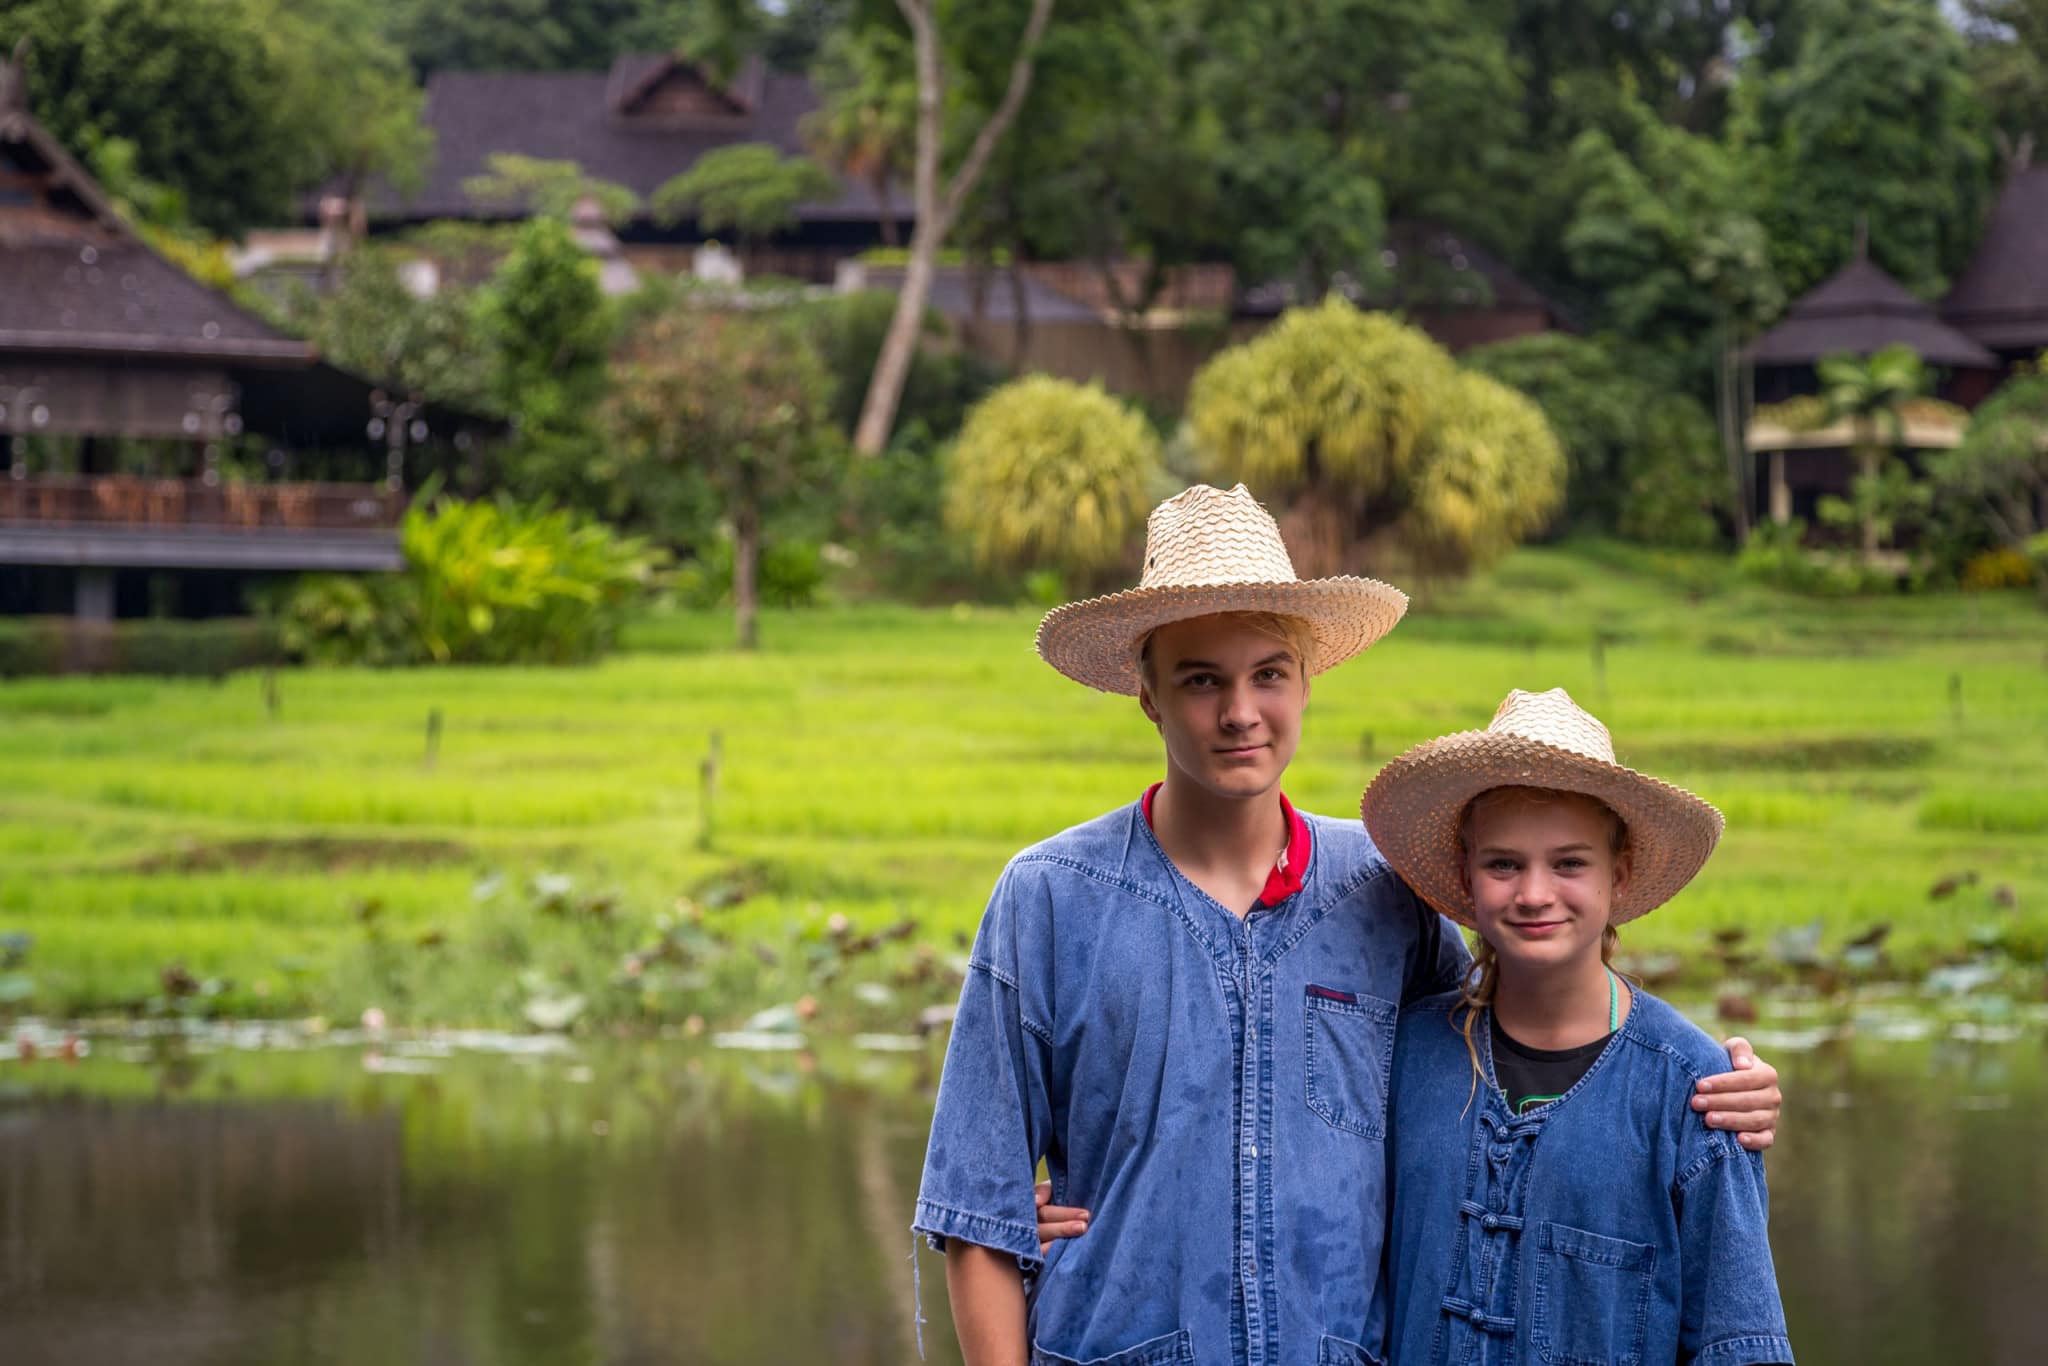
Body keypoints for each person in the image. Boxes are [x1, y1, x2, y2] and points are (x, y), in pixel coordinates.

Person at [917, 485, 1781, 1366]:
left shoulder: (1382, 892)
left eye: (1268, 674)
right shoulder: (1049, 899)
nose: (1240, 713)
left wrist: (1702, 1087)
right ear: (1147, 692)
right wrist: (1020, 1221)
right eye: (1201, 679)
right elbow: (977, 1213)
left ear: (1307, 679)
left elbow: (1514, 1029)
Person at [1365, 688, 1794, 1365]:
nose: (1535, 894)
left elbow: (1736, 1343)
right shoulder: (1404, 1058)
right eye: (1503, 864)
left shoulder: (1695, 1095)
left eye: (1569, 863)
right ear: (1466, 877)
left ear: (1618, 875)